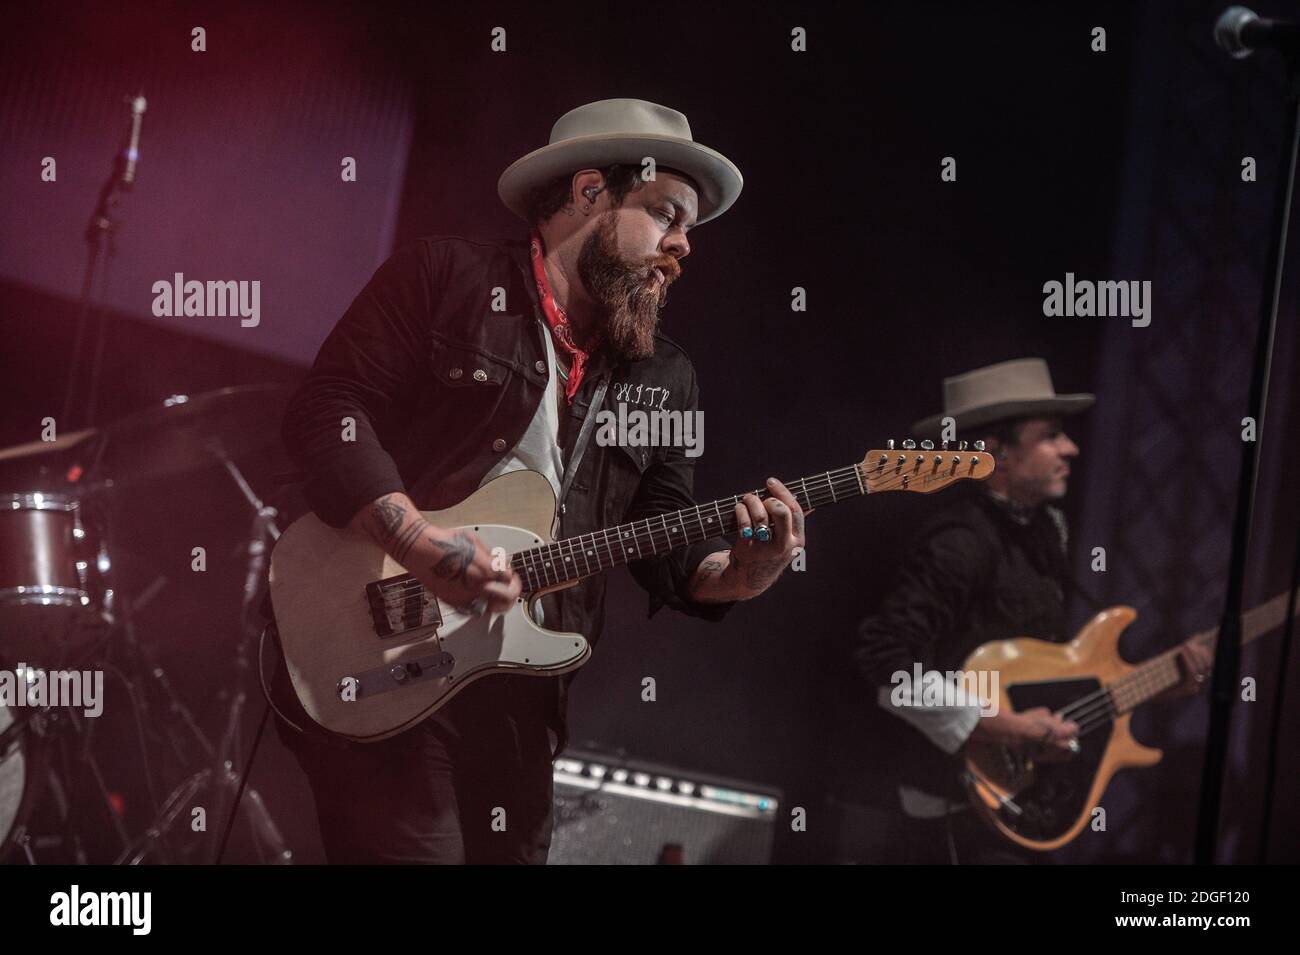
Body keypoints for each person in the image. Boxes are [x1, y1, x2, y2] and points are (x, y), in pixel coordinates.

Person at [271, 98, 808, 864]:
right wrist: (420, 543)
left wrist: (745, 575)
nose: (684, 246)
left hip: (522, 696)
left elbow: (666, 545)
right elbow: (328, 414)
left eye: (688, 227)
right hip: (383, 648)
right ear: (590, 193)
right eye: (666, 215)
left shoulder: (666, 376)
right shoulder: (445, 279)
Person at [834, 358, 1211, 863]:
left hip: (1017, 802)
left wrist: (1161, 682)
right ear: (995, 453)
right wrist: (1000, 726)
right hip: (953, 813)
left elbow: (1044, 676)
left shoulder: (1045, 531)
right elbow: (884, 662)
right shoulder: (959, 542)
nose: (1071, 449)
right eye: (1051, 436)